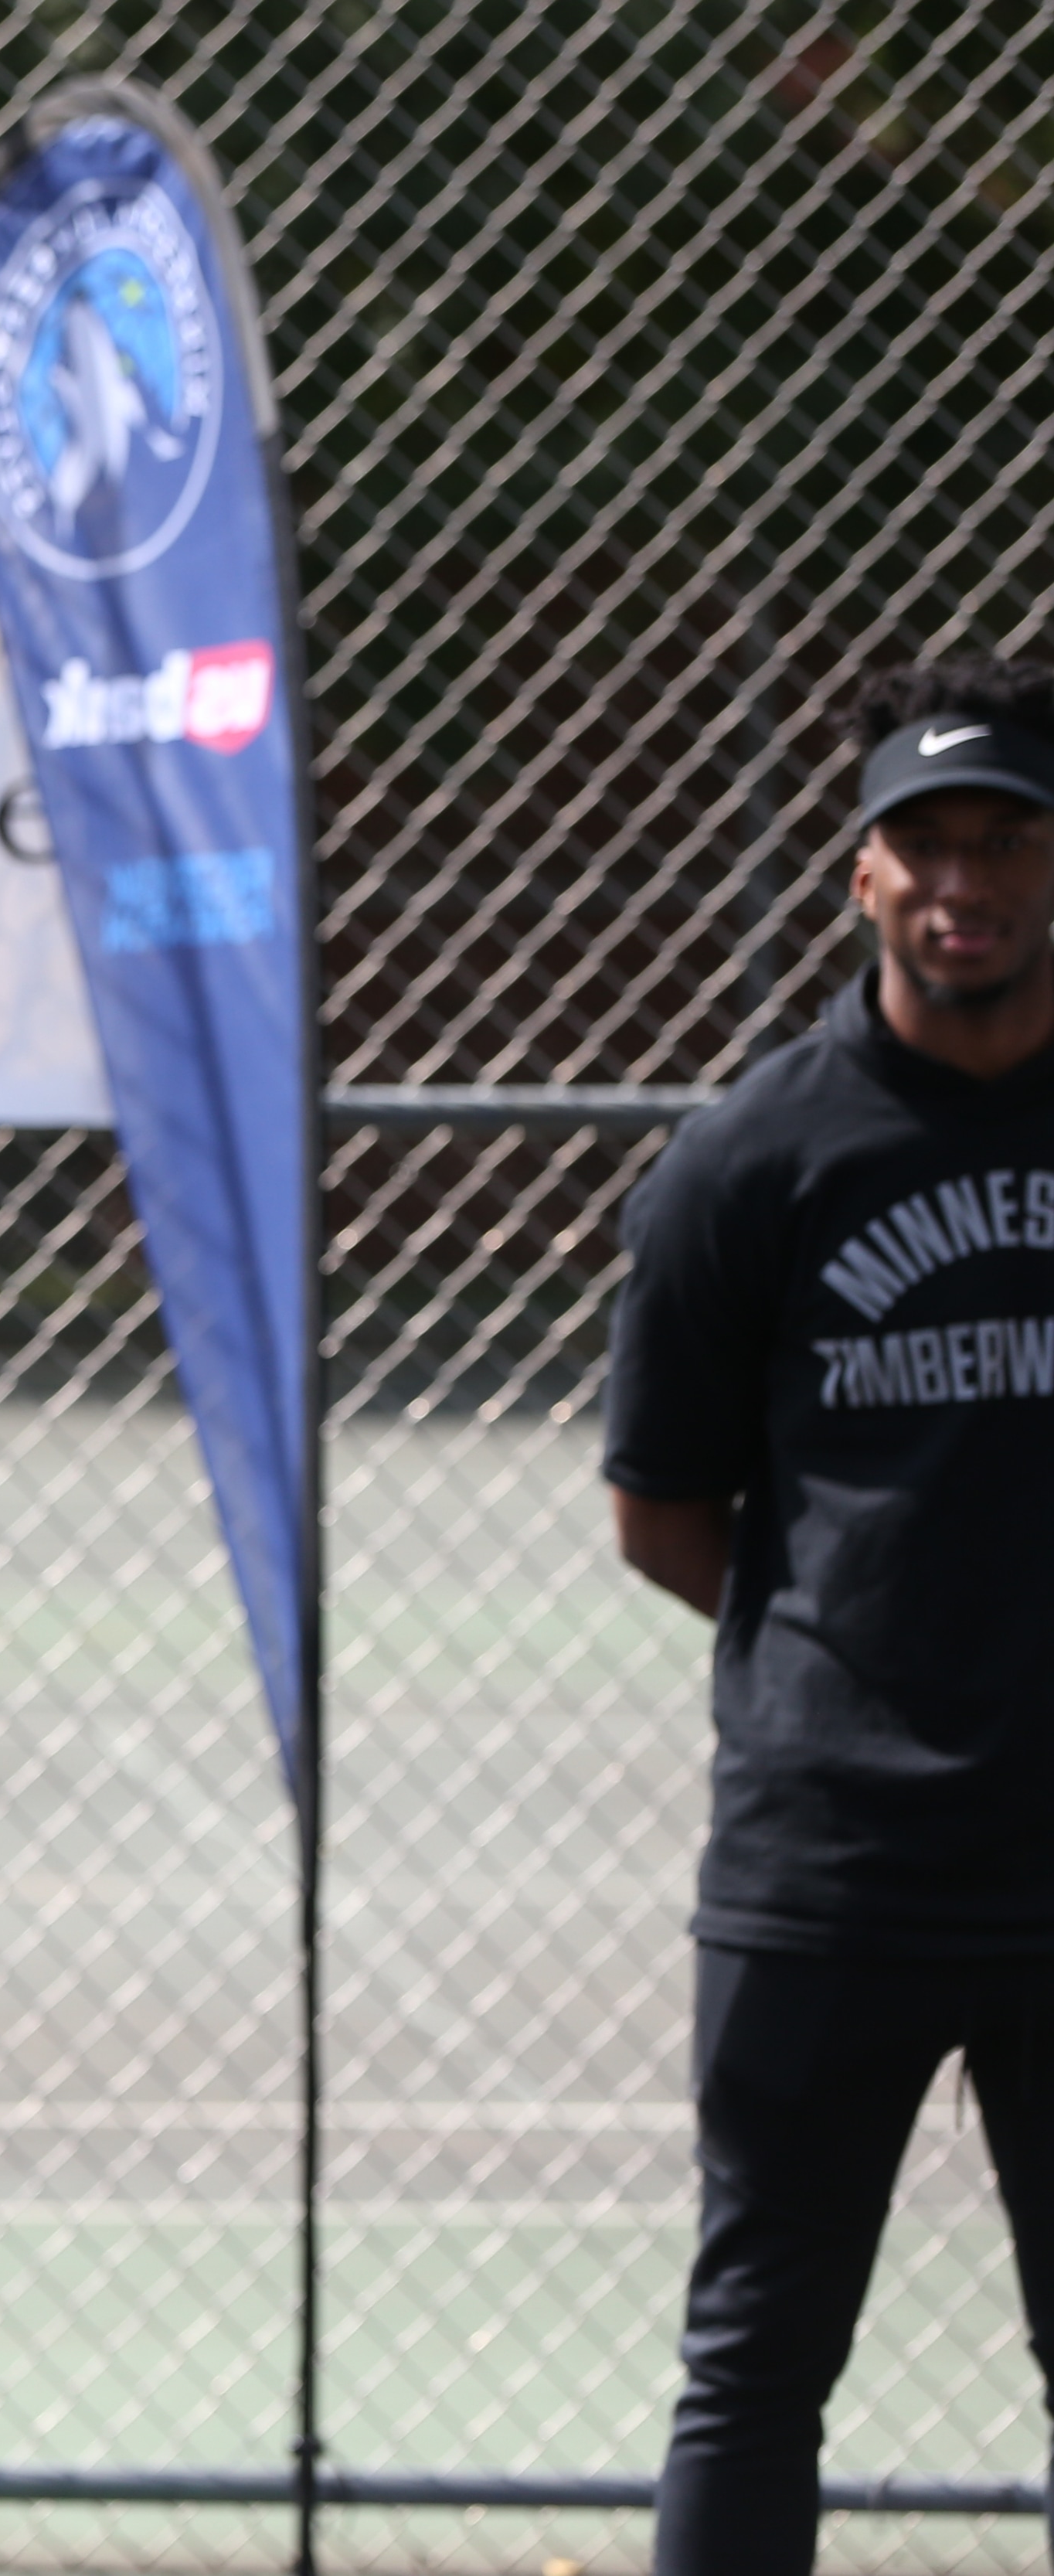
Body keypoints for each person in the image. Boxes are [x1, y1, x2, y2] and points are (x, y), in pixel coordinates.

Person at [604, 656, 1054, 2571]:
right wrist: (846, 1664)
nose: (965, 879)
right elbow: (660, 1511)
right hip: (833, 1862)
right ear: (860, 876)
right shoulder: (751, 1156)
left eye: (1007, 841)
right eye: (924, 841)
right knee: (758, 2359)